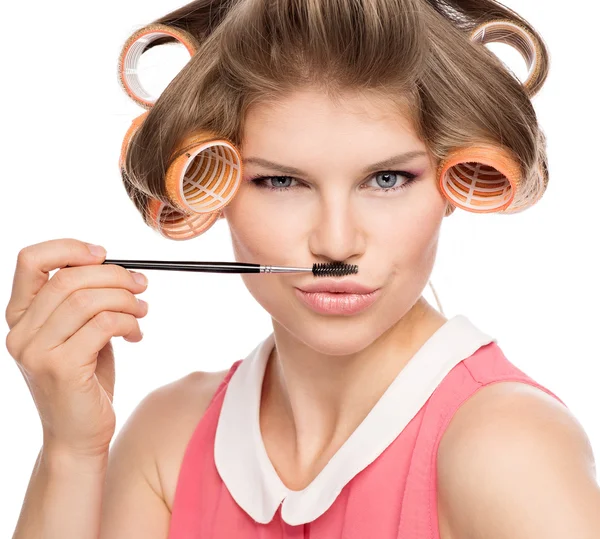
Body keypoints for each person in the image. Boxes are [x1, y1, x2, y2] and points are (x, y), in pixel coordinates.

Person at [5, 0, 600, 537]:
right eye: (281, 181)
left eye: (386, 179)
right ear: (214, 186)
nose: (336, 243)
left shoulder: (511, 450)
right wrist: (71, 449)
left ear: (454, 180)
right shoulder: (169, 438)